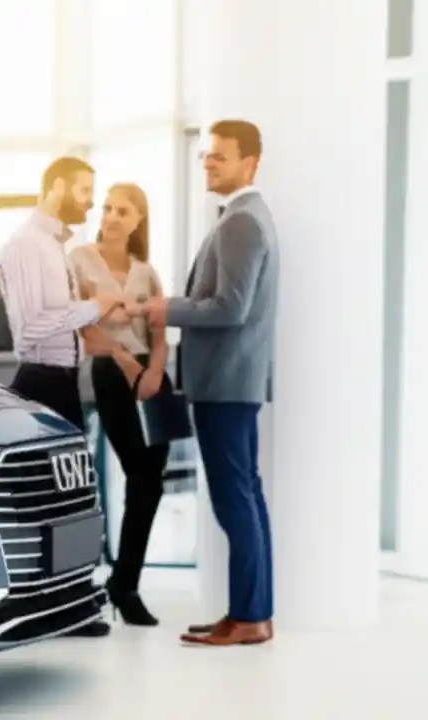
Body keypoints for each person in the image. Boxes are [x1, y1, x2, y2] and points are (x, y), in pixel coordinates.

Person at [132, 119, 279, 646]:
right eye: (206, 156)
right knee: (246, 496)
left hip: (226, 382)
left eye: (220, 156)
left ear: (250, 162)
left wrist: (163, 308)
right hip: (233, 381)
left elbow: (229, 308)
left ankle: (248, 617)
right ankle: (251, 613)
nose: (209, 163)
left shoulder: (241, 222)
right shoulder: (244, 218)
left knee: (235, 499)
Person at [0, 156, 126, 638]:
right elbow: (32, 328)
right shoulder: (29, 246)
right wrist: (95, 305)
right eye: (83, 190)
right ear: (54, 188)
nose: (91, 202)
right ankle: (55, 608)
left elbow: (58, 320)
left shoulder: (51, 247)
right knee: (52, 503)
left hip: (61, 380)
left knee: (66, 501)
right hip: (42, 382)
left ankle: (66, 604)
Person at [69, 182, 175, 627]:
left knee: (152, 481)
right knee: (136, 469)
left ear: (138, 221)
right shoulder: (79, 260)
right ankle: (115, 585)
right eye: (108, 208)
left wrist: (152, 373)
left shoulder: (145, 270)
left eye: (122, 211)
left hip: (151, 376)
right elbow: (84, 329)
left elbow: (160, 333)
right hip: (112, 373)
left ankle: (125, 583)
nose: (111, 217)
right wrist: (126, 362)